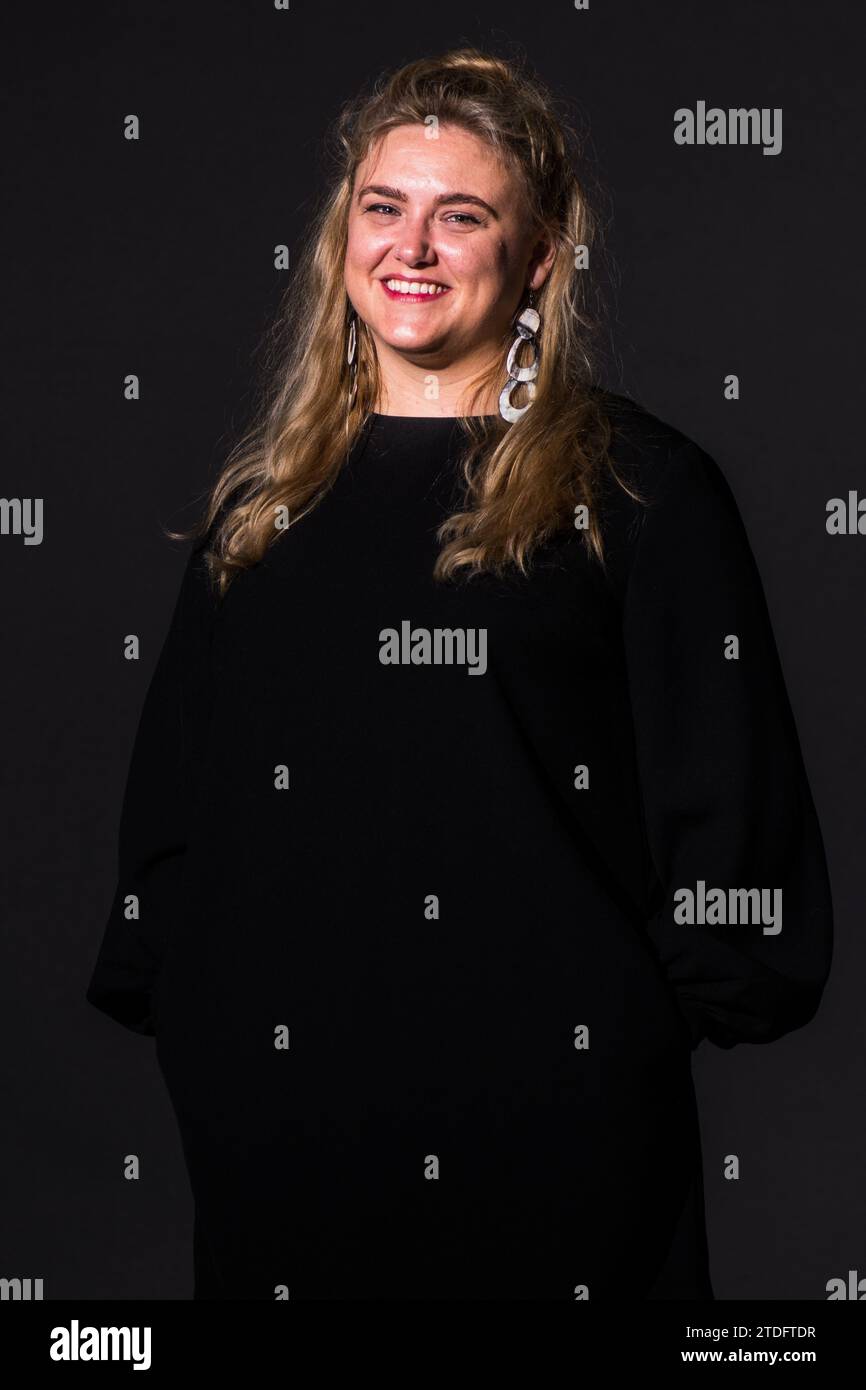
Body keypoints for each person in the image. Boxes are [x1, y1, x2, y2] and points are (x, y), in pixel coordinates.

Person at [86, 48, 833, 1300]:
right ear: (343, 235)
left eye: (462, 214)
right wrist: (208, 1025)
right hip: (282, 1143)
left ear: (537, 254)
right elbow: (173, 811)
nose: (412, 247)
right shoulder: (266, 504)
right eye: (383, 207)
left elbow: (731, 816)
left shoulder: (636, 488)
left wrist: (617, 1042)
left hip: (554, 1148)